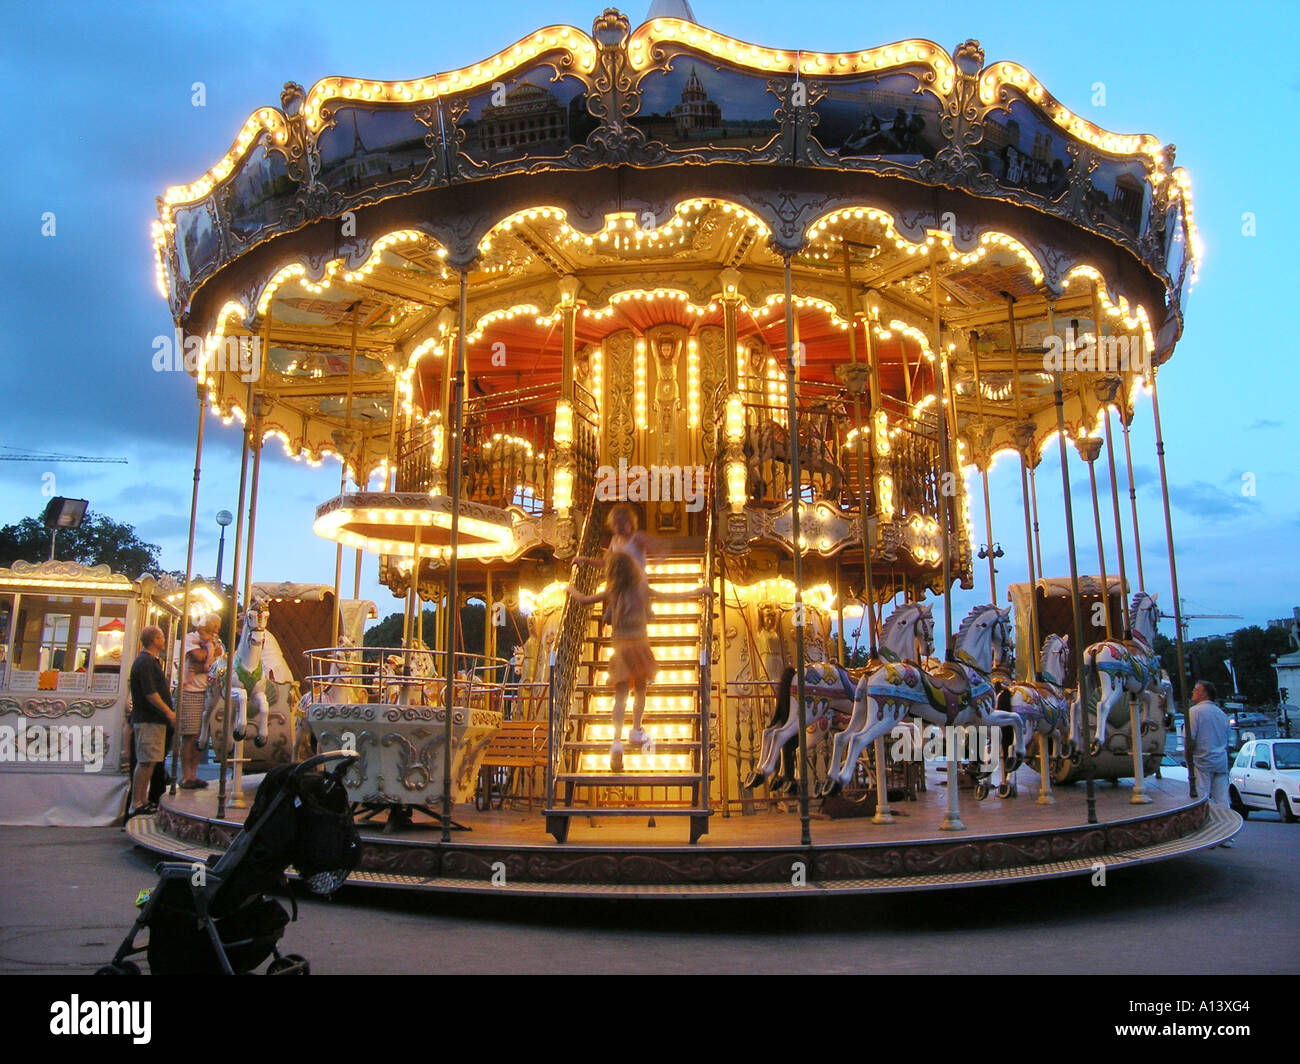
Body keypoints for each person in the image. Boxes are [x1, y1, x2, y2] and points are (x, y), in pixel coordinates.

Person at [567, 552, 711, 771]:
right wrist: (699, 591)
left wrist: (571, 589)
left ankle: (616, 741)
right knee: (641, 690)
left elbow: (584, 600)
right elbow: (670, 597)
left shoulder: (613, 591)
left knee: (621, 696)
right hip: (640, 646)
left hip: (621, 648)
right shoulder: (641, 590)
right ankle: (635, 729)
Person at [128, 625, 176, 818]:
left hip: (153, 720)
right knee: (146, 761)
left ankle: (143, 800)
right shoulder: (146, 662)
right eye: (162, 637)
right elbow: (151, 693)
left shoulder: (150, 661)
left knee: (150, 761)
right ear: (155, 640)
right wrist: (168, 712)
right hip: (149, 719)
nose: (164, 640)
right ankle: (136, 802)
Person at [1187, 679, 1233, 848]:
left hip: (1202, 760)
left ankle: (1207, 834)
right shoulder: (1222, 714)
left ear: (1203, 693)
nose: (1192, 692)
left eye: (1195, 690)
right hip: (1220, 761)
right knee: (1222, 799)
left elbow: (1190, 739)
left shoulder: (1194, 712)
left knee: (1202, 798)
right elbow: (1226, 739)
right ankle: (1226, 834)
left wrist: (1188, 759)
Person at [179, 614, 223, 789]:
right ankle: (186, 775)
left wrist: (203, 664)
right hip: (191, 691)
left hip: (207, 691)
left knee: (200, 736)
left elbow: (218, 660)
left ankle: (194, 773)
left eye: (217, 628)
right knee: (189, 735)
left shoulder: (215, 642)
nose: (216, 631)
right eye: (214, 628)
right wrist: (209, 653)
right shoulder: (191, 638)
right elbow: (197, 656)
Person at [575, 503, 667, 578]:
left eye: (622, 523)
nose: (619, 527)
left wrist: (656, 563)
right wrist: (585, 559)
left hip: (635, 583)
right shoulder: (615, 540)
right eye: (616, 524)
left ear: (630, 522)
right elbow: (604, 562)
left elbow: (661, 548)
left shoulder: (637, 537)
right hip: (619, 583)